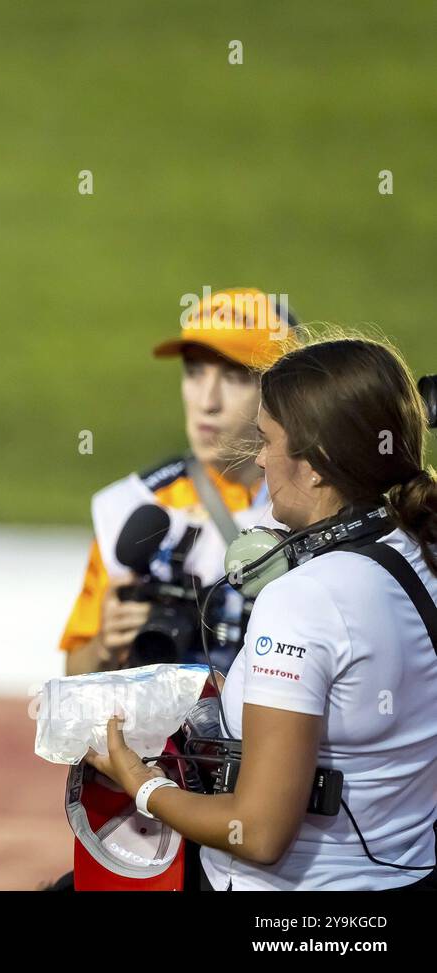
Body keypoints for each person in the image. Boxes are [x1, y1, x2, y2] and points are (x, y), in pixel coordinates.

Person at [87, 336, 437, 890]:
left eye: (268, 440)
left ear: (317, 466)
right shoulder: (419, 551)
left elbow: (257, 833)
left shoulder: (304, 598)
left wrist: (141, 782)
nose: (259, 458)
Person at [61, 288, 298, 677]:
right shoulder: (130, 505)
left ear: (283, 392)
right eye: (194, 372)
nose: (207, 401)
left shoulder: (320, 498)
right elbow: (75, 672)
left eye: (235, 376)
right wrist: (106, 642)